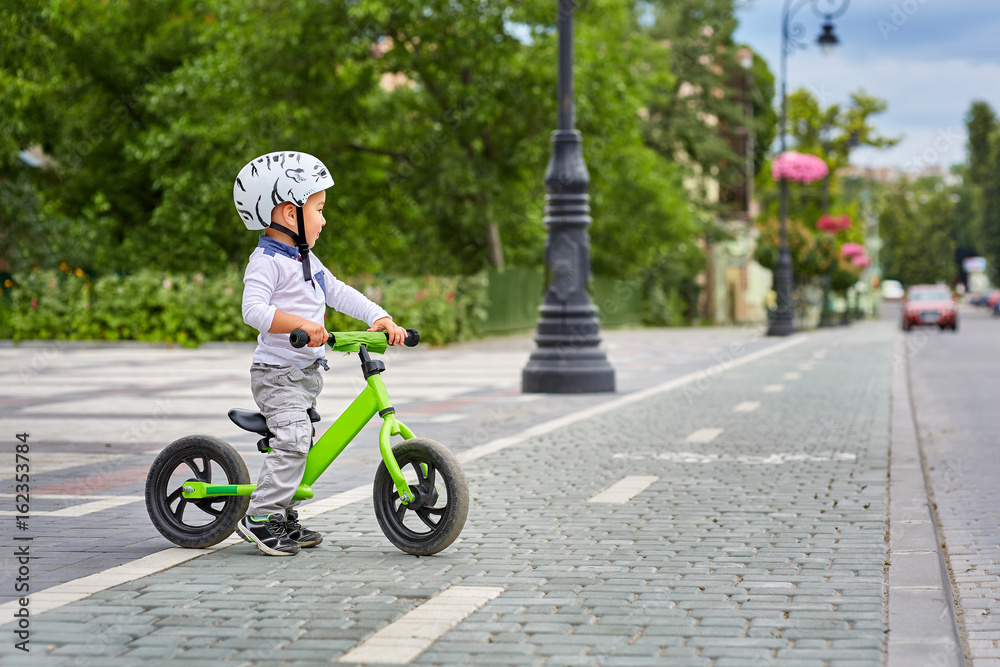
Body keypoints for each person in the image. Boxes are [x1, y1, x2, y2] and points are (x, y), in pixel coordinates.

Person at [233, 151, 407, 556]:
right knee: (294, 441)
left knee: (303, 443)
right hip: (276, 374)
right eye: (319, 209)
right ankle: (260, 517)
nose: (324, 219)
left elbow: (339, 291)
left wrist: (379, 317)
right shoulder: (266, 262)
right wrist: (299, 323)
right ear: (288, 213)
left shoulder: (304, 258)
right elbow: (252, 311)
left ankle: (282, 514)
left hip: (304, 374)